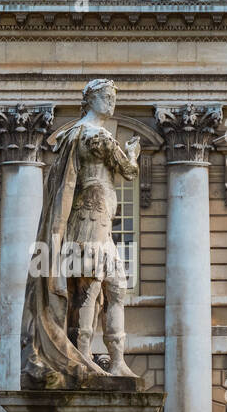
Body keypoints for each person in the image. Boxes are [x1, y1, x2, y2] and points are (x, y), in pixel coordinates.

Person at [22, 79, 141, 388]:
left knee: (116, 287)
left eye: (113, 97)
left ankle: (117, 361)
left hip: (100, 220)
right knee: (89, 287)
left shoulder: (79, 134)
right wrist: (132, 154)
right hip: (88, 220)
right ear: (90, 100)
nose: (111, 102)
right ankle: (83, 355)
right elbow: (128, 170)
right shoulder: (92, 135)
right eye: (105, 96)